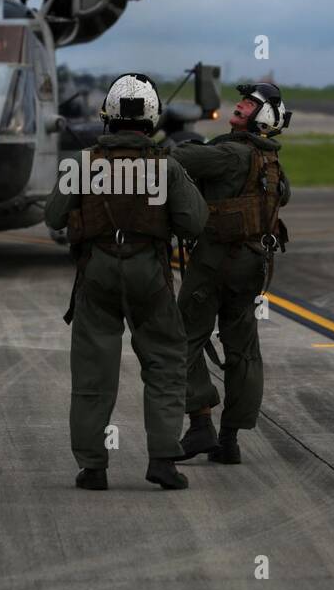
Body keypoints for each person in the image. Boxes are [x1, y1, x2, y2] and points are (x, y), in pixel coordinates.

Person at [44, 73, 208, 490]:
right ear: (151, 118)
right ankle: (163, 460)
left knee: (93, 372)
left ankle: (94, 467)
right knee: (166, 363)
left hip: (96, 272)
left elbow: (53, 216)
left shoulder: (82, 163)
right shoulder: (166, 167)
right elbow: (195, 221)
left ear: (108, 116)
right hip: (149, 276)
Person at [172, 82, 292, 465]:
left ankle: (201, 424)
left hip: (214, 263)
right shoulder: (272, 162)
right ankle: (229, 440)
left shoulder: (229, 154)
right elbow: (282, 196)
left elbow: (178, 159)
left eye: (249, 104)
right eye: (242, 102)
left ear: (262, 118)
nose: (240, 106)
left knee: (182, 339)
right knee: (243, 350)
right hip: (254, 265)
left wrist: (187, 144)